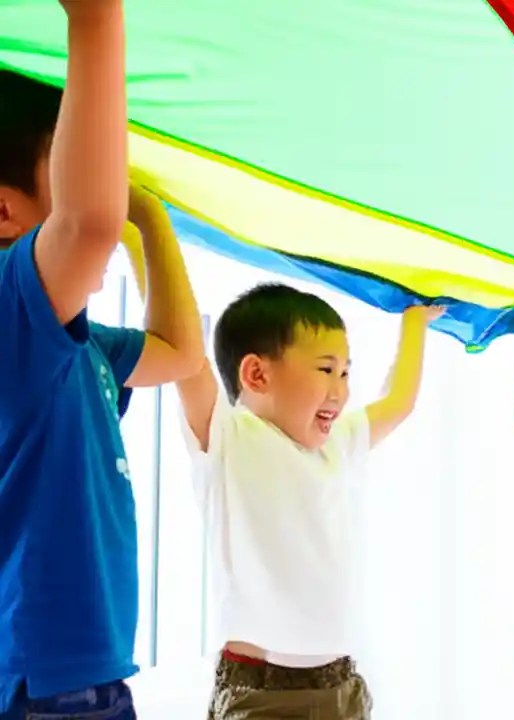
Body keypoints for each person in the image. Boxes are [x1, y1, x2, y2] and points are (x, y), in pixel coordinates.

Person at [0, 3, 205, 716]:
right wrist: (95, 19)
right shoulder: (8, 310)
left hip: (81, 677)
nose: (97, 177)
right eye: (66, 158)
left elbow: (180, 352)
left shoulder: (74, 343)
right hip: (46, 684)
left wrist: (151, 220)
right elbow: (86, 223)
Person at [177, 283, 443, 719]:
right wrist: (147, 237)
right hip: (263, 690)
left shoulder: (338, 442)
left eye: (345, 373)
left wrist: (414, 322)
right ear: (257, 375)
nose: (340, 390)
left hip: (340, 683)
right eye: (326, 369)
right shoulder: (230, 438)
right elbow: (184, 350)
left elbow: (397, 402)